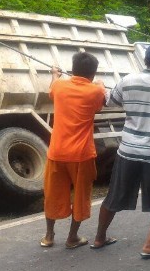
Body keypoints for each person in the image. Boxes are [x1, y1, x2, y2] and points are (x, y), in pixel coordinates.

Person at [92, 43, 150, 258]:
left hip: (128, 151)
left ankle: (99, 237)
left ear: (145, 61)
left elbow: (111, 101)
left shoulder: (127, 81)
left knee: (114, 196)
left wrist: (101, 86)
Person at [40, 52, 106, 249]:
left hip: (57, 151)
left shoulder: (59, 86)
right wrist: (100, 84)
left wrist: (54, 73)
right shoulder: (95, 91)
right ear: (93, 73)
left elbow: (52, 87)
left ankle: (48, 236)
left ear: (73, 68)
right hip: (81, 154)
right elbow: (99, 107)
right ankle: (72, 238)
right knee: (81, 196)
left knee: (52, 194)